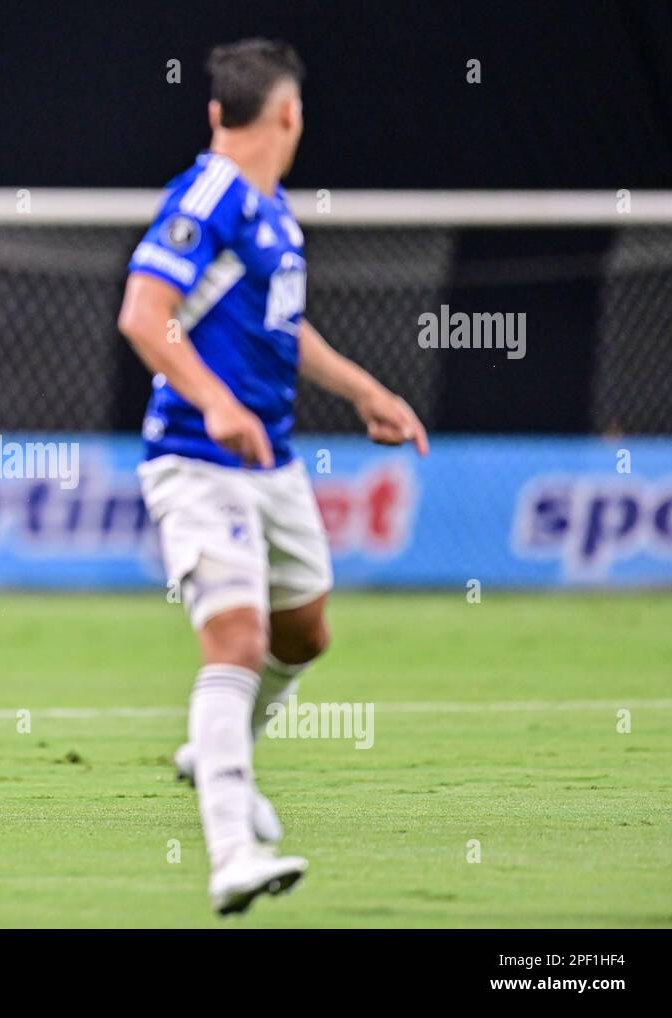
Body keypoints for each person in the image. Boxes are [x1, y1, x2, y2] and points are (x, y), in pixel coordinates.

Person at [118, 40, 428, 914]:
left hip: (273, 462)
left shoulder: (274, 210)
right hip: (196, 459)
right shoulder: (209, 195)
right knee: (240, 644)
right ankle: (232, 852)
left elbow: (289, 332)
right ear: (290, 114)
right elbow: (144, 314)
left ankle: (212, 751)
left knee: (305, 634)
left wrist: (369, 392)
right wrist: (214, 401)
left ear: (221, 111)